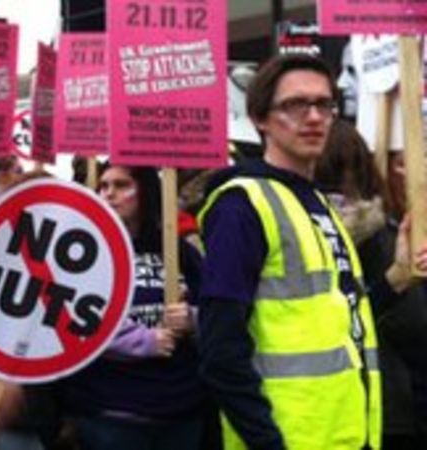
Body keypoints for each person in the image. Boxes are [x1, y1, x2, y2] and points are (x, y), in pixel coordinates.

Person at [197, 54, 427, 450]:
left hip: (345, 435)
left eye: (324, 104)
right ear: (260, 118)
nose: (315, 117)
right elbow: (220, 350)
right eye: (294, 105)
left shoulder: (316, 203)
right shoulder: (242, 206)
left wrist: (397, 278)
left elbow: (339, 320)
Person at [57, 164, 210, 450]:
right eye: (103, 186)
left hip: (181, 408)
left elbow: (217, 313)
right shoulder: (83, 253)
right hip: (112, 412)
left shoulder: (178, 251)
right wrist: (143, 341)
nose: (109, 194)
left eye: (121, 185)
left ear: (146, 192)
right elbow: (71, 320)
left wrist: (191, 319)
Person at [316, 120, 427, 450]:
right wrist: (396, 282)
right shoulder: (379, 237)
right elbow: (412, 321)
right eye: (402, 162)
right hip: (389, 401)